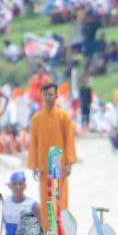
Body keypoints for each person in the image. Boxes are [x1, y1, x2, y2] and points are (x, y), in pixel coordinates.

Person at [28, 82, 77, 212]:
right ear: (42, 96)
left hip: (60, 168)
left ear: (56, 96)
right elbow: (34, 142)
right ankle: (47, 231)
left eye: (50, 94)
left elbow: (69, 140)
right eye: (45, 95)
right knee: (46, 203)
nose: (48, 97)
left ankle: (62, 231)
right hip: (44, 168)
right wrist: (34, 166)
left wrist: (69, 163)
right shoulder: (36, 119)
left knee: (61, 202)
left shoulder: (64, 117)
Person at [2, 171, 39, 235]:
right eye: (14, 184)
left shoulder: (33, 205)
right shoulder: (3, 203)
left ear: (25, 186)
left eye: (20, 184)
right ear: (10, 186)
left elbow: (41, 230)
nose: (17, 187)